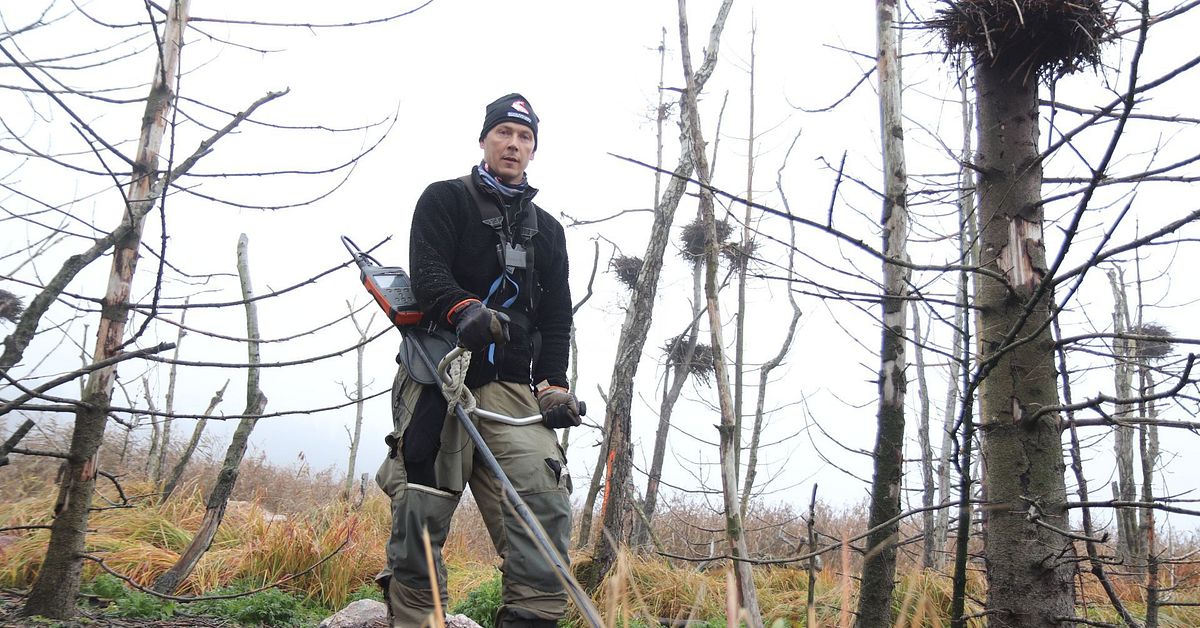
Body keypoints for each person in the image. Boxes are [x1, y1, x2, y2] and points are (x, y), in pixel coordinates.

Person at [376, 93, 579, 628]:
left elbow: (557, 315)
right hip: (439, 371)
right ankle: (417, 618)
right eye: (503, 133)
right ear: (484, 140)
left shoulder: (549, 232)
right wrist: (462, 308)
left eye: (524, 137)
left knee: (545, 499)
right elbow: (427, 269)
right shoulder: (444, 200)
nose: (513, 144)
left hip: (512, 387)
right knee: (421, 504)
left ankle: (531, 618)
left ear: (534, 149)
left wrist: (553, 384)